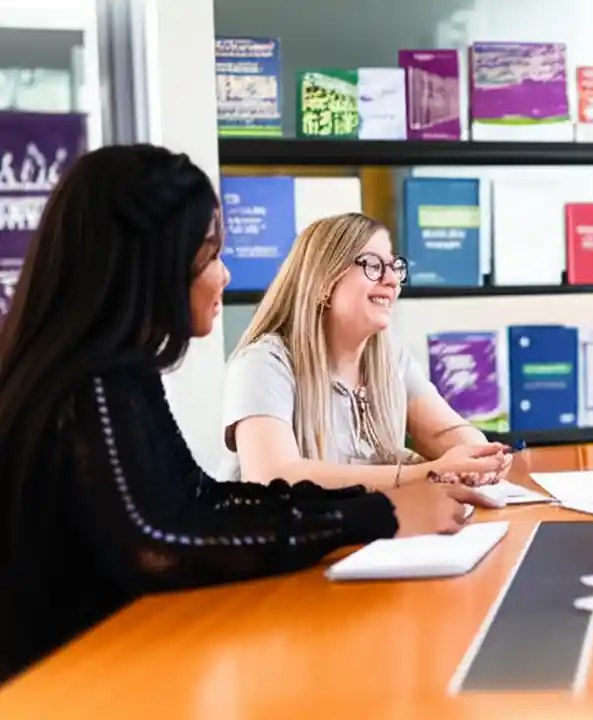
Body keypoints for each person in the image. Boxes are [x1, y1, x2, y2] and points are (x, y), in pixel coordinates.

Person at [0, 145, 501, 682]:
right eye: (209, 256)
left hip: (115, 663)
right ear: (155, 265)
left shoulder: (124, 376)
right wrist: (381, 513)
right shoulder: (92, 389)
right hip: (70, 684)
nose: (224, 274)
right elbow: (159, 543)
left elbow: (201, 498)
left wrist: (380, 506)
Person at [219, 212, 510, 490]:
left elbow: (441, 431)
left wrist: (478, 454)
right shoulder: (263, 364)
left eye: (395, 267)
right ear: (324, 282)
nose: (392, 280)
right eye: (373, 265)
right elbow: (272, 476)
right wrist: (428, 472)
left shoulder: (393, 361)